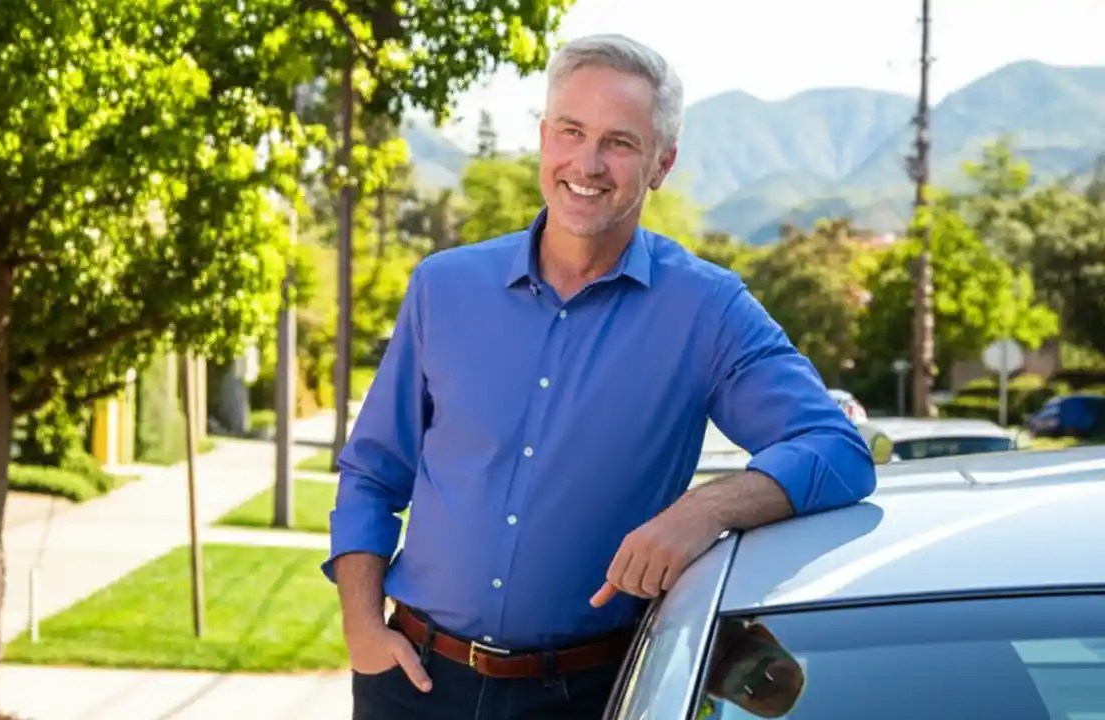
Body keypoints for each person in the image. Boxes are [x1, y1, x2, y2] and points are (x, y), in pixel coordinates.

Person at [322, 32, 876, 720]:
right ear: (544, 137)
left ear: (661, 164)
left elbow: (836, 449)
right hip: (413, 683)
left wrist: (700, 513)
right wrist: (362, 628)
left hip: (585, 696)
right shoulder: (444, 287)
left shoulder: (707, 311)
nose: (587, 163)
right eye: (571, 131)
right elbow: (373, 473)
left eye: (620, 142)